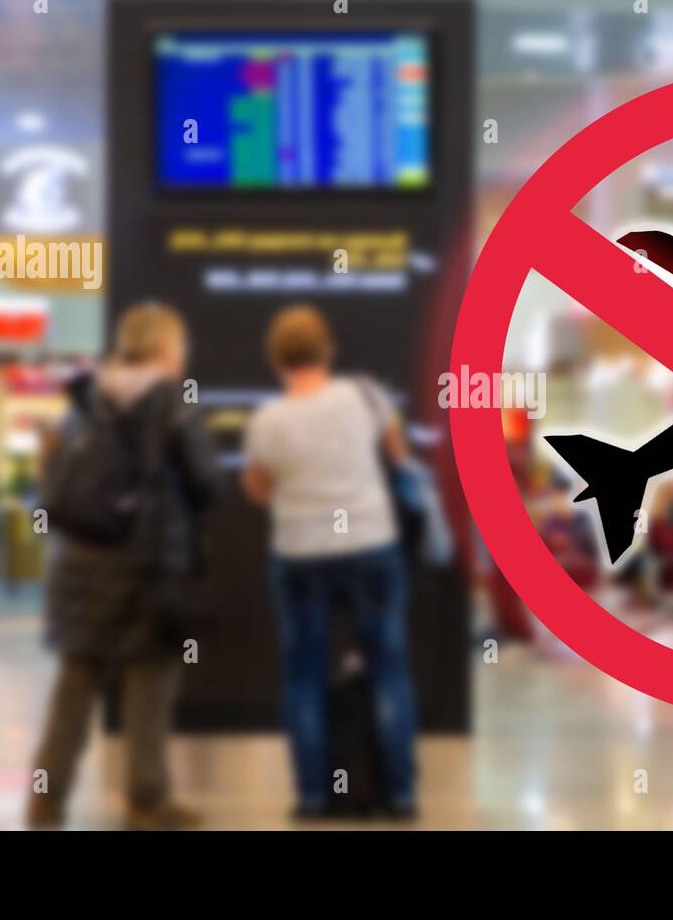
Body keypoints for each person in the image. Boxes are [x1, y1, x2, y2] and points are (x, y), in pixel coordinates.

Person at [28, 302, 217, 830]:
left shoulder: (83, 402)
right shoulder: (173, 405)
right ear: (162, 351)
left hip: (78, 568)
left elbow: (55, 483)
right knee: (148, 684)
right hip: (147, 568)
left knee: (74, 687)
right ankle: (146, 799)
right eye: (179, 350)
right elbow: (206, 483)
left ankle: (47, 797)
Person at [242, 304, 417, 820]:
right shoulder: (365, 395)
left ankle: (314, 796)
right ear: (327, 350)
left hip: (301, 552)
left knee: (303, 674)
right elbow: (399, 455)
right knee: (387, 667)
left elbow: (258, 489)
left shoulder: (268, 419)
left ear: (275, 358)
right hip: (371, 542)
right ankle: (400, 794)